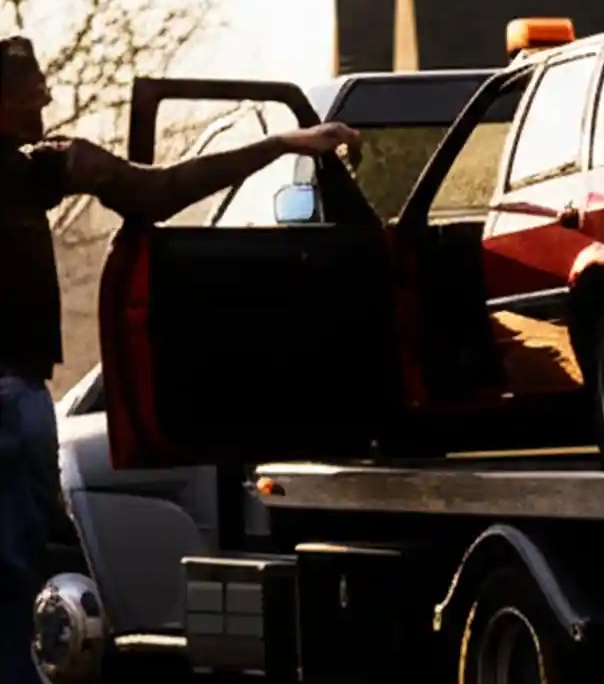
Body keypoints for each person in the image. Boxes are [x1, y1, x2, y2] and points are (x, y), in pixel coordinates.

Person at [0, 34, 360, 683]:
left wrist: (280, 144)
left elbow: (156, 191)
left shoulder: (34, 172)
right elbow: (155, 191)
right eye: (34, 91)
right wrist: (280, 144)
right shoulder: (32, 172)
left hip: (20, 400)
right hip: (13, 401)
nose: (48, 98)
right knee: (16, 579)